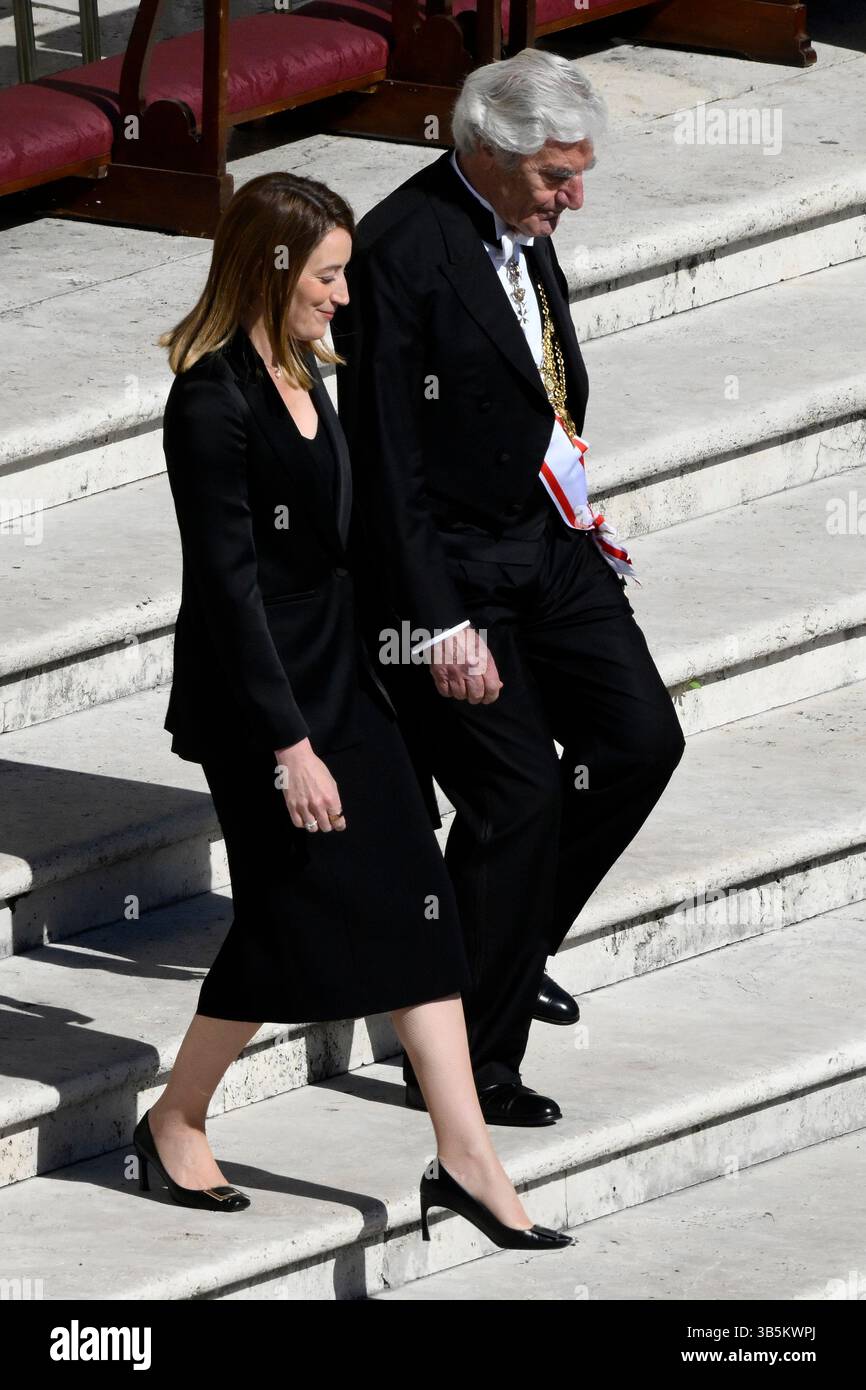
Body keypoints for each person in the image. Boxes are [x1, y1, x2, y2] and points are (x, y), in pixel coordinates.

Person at [135, 171, 570, 1252]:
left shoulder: (304, 372)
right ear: (272, 269)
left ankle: (466, 1156)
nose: (344, 294)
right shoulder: (210, 402)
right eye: (328, 274)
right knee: (286, 919)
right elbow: (229, 592)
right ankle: (175, 1117)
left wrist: (423, 636)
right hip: (262, 698)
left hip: (345, 674)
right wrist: (290, 746)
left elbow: (351, 538)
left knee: (420, 891)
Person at [333, 49, 686, 1126]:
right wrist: (437, 622)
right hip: (440, 570)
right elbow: (385, 464)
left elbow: (538, 378)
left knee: (636, 744)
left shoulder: (522, 226)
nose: (572, 198)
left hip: (544, 537)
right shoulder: (399, 253)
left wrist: (573, 502)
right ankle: (466, 1059)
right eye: (553, 179)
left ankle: (509, 940)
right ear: (484, 151)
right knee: (515, 795)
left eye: (578, 174)